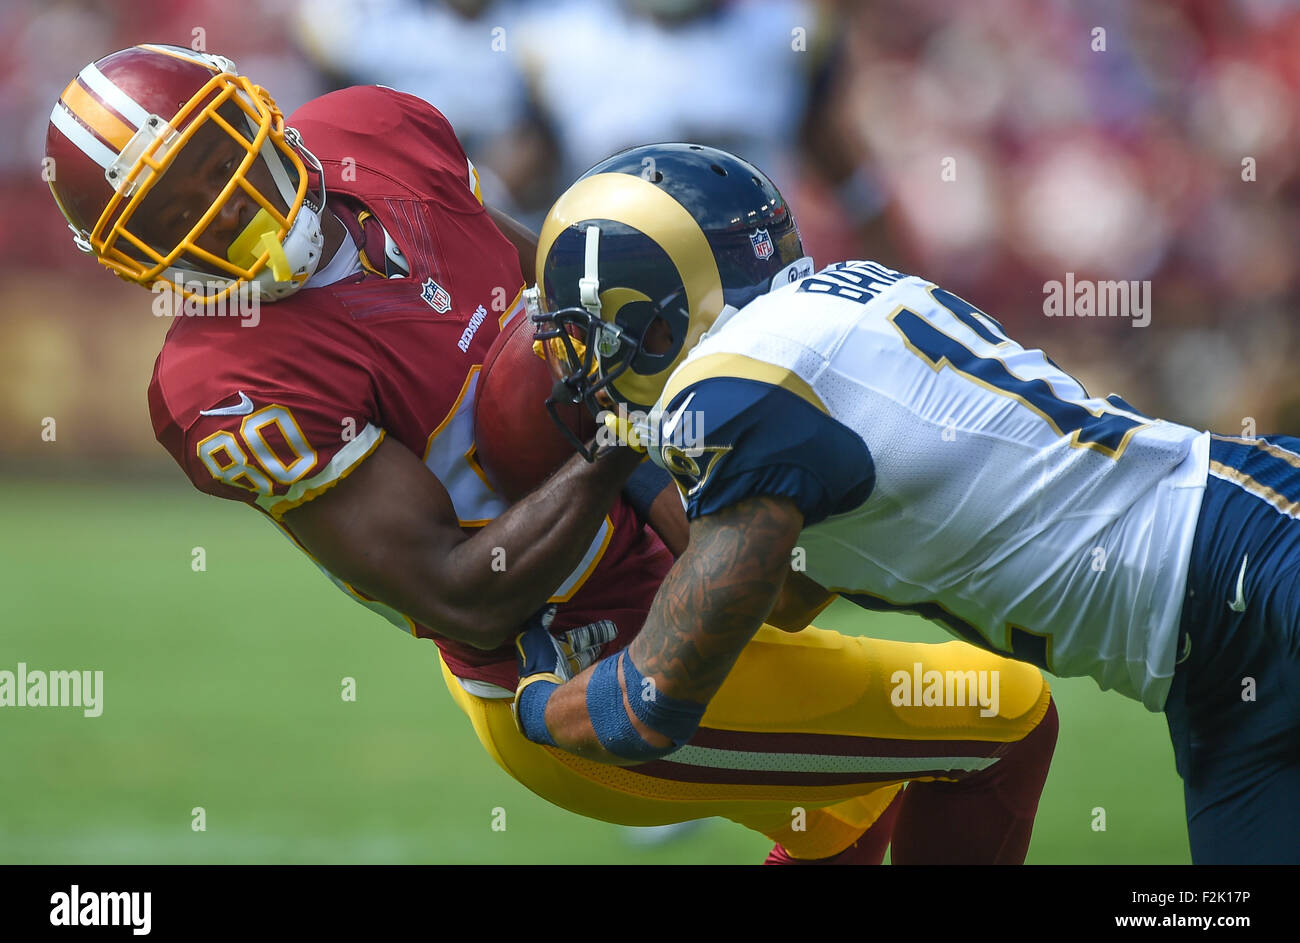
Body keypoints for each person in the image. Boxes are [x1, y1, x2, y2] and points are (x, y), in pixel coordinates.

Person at [46, 49, 1056, 863]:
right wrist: (618, 420)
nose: (225, 212)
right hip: (575, 661)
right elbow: (461, 592)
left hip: (661, 545)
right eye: (175, 221)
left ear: (258, 113)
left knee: (849, 805)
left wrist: (635, 362)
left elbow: (555, 276)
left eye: (219, 166)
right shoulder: (227, 385)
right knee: (1005, 719)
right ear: (140, 263)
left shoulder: (374, 127)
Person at [516, 142, 1299, 865]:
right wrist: (638, 466)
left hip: (1255, 566)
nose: (580, 364)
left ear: (651, 317)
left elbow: (653, 702)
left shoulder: (732, 385)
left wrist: (538, 705)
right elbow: (786, 592)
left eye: (586, 333)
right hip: (1211, 653)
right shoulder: (811, 330)